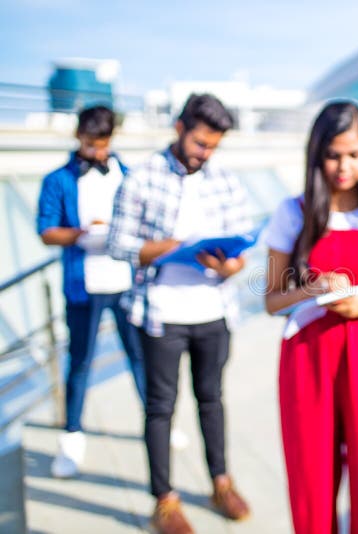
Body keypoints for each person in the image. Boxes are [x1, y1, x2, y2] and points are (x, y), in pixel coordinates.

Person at [264, 100, 358, 534]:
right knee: (310, 477)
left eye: (355, 154)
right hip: (307, 356)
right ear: (316, 155)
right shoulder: (293, 212)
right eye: (333, 155)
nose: (343, 166)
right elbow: (272, 300)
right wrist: (312, 289)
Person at [108, 94, 251, 534]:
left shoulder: (226, 181)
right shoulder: (142, 178)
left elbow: (241, 253)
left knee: (211, 400)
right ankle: (164, 500)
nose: (203, 153)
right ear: (179, 127)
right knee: (160, 408)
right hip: (160, 314)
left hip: (213, 311)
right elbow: (119, 244)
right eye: (198, 142)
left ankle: (220, 482)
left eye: (212, 146)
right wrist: (175, 248)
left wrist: (227, 264)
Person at [36, 105, 147, 479]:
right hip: (83, 284)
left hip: (125, 280)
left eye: (102, 145)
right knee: (80, 362)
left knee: (139, 356)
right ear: (78, 138)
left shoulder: (129, 175)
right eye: (90, 144)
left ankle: (156, 421)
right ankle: (72, 440)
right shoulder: (58, 180)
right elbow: (47, 231)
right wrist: (82, 234)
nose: (97, 152)